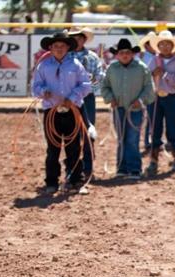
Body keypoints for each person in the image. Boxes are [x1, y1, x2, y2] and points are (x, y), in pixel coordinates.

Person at [32, 32, 91, 194]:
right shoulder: (43, 66)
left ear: (67, 48)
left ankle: (75, 180)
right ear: (50, 48)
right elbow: (35, 88)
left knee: (73, 146)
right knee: (53, 147)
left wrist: (71, 98)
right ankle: (51, 181)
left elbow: (86, 86)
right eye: (56, 46)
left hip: (72, 110)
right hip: (52, 111)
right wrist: (44, 91)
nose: (59, 49)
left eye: (62, 46)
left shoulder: (76, 65)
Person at [100, 38, 155, 180]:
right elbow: (105, 86)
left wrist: (141, 100)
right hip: (119, 108)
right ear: (117, 54)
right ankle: (122, 168)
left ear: (132, 54)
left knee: (132, 138)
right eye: (122, 52)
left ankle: (134, 169)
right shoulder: (112, 68)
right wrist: (110, 98)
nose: (125, 55)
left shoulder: (142, 68)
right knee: (121, 138)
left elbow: (149, 87)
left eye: (128, 52)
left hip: (135, 109)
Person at [146, 30, 175, 176]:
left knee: (172, 128)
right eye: (162, 44)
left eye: (167, 44)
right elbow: (146, 79)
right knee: (154, 128)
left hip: (170, 98)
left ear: (172, 46)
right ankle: (154, 161)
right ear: (159, 46)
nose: (165, 47)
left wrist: (166, 75)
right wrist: (152, 74)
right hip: (155, 98)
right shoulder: (153, 61)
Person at [68, 27, 105, 180]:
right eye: (73, 38)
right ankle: (73, 170)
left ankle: (88, 169)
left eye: (79, 37)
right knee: (71, 134)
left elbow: (100, 77)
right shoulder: (65, 56)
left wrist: (86, 89)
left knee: (88, 133)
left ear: (84, 40)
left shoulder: (92, 57)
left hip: (87, 98)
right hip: (68, 99)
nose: (76, 40)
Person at [139, 31, 157, 152]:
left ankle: (151, 139)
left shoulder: (147, 57)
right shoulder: (145, 58)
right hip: (148, 90)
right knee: (150, 116)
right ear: (146, 45)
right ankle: (148, 140)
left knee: (153, 116)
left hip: (154, 90)